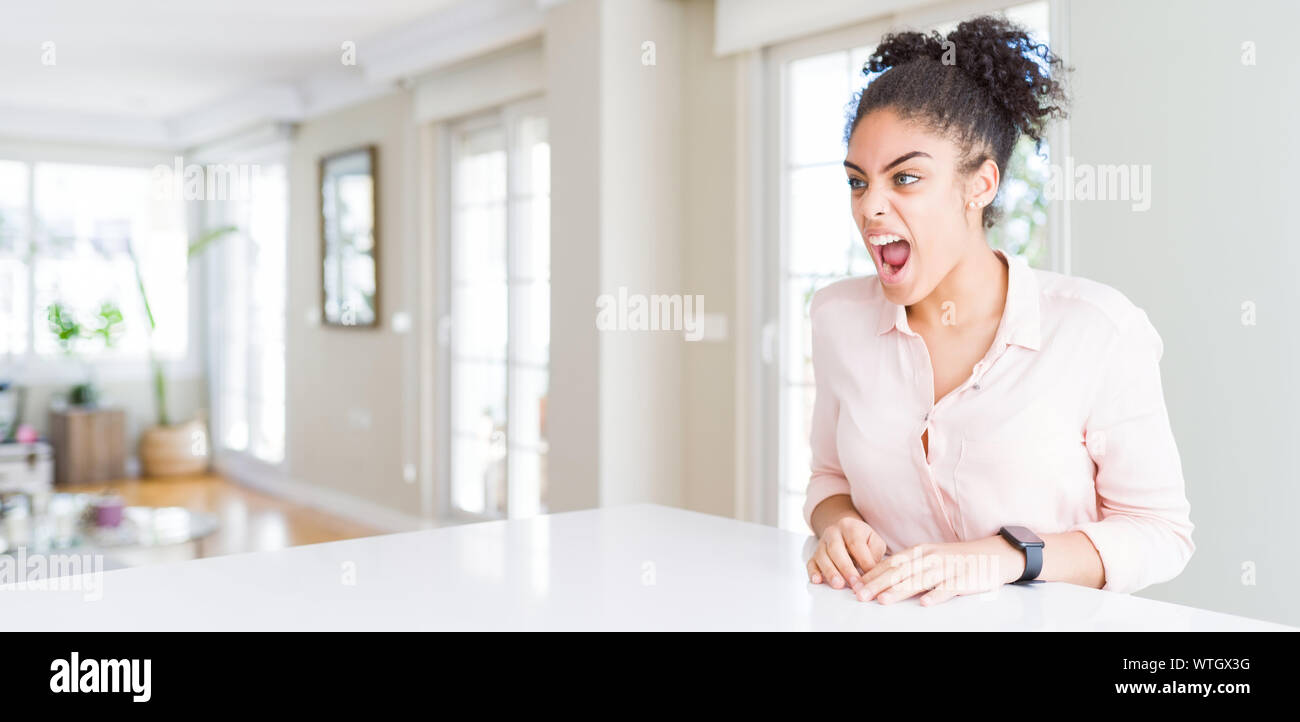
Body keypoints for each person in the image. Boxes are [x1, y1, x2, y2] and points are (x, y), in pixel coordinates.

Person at [803, 14, 1194, 605]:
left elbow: (1160, 533)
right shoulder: (837, 319)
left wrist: (1007, 557)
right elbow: (829, 480)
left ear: (979, 184)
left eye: (905, 178)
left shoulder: (1097, 330)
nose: (870, 208)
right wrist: (836, 524)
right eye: (858, 182)